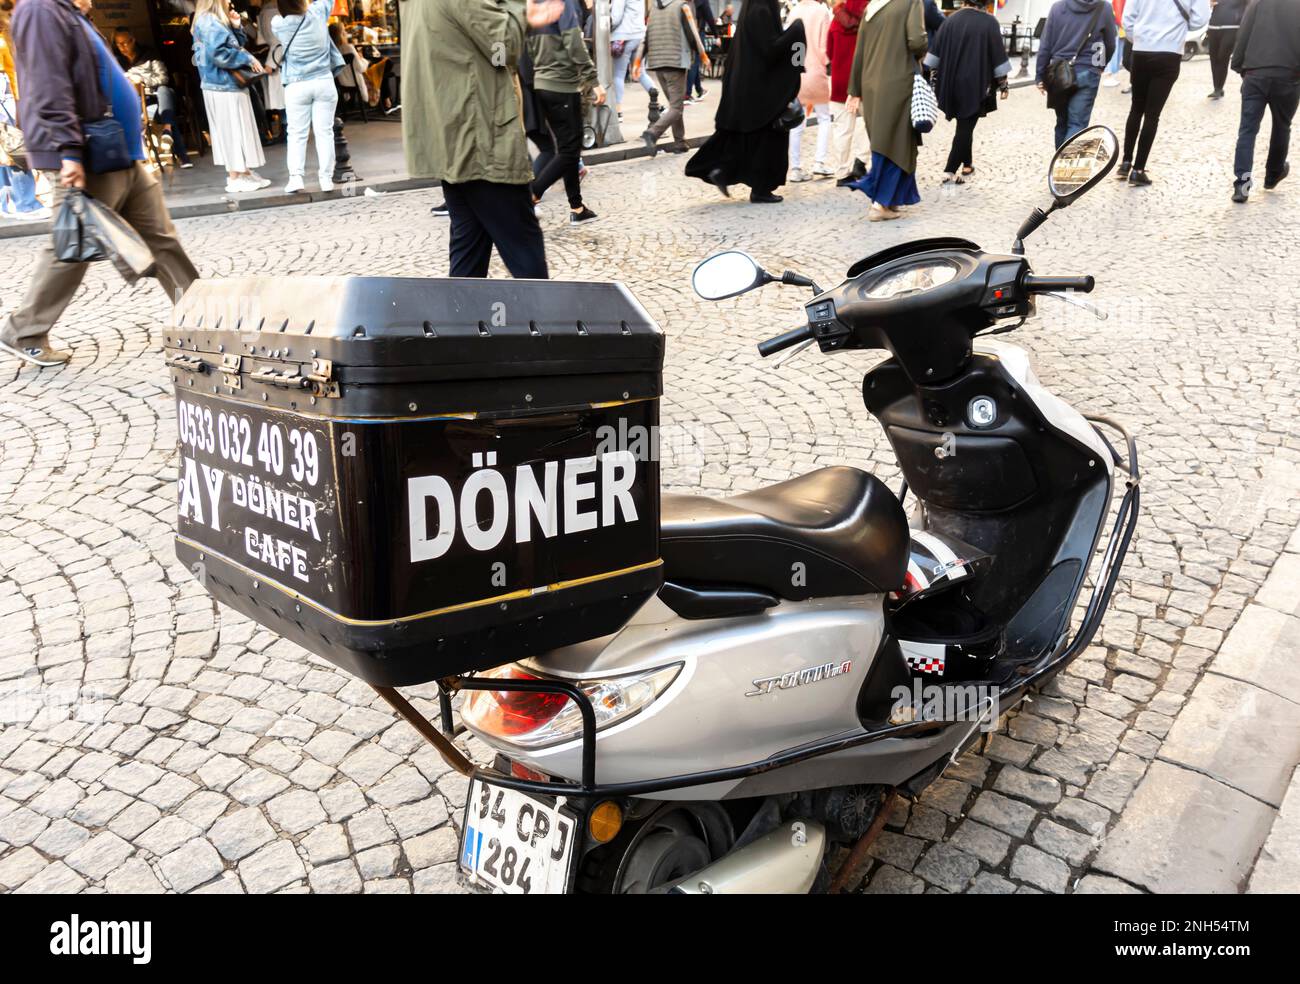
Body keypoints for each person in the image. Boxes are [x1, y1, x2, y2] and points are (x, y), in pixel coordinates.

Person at [1, 0, 199, 366]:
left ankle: (202, 318)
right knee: (70, 248)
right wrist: (69, 152)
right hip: (89, 153)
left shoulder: (67, 11)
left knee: (161, 238)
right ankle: (23, 330)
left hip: (116, 149)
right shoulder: (41, 9)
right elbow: (48, 86)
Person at [403, 0, 561, 279]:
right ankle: (545, 320)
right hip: (480, 141)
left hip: (456, 137)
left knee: (468, 253)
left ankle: (460, 321)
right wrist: (518, 7)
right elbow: (505, 47)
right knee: (526, 256)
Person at [685, 0, 802, 202]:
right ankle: (761, 188)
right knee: (765, 138)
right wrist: (796, 30)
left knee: (744, 138)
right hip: (759, 89)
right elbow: (770, 49)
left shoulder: (753, 8)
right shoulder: (762, 9)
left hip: (745, 86)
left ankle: (721, 169)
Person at [845, 0, 928, 220]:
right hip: (899, 81)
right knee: (897, 143)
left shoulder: (872, 8)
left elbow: (859, 51)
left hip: (871, 84)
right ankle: (880, 203)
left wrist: (854, 89)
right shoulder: (911, 2)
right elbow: (917, 40)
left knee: (883, 142)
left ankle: (890, 201)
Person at [528, 0, 605, 224]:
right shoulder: (564, 3)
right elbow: (574, 43)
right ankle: (532, 194)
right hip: (562, 85)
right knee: (570, 150)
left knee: (566, 149)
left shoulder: (537, 6)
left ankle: (577, 208)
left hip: (543, 84)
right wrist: (593, 80)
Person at [1120, 0, 1209, 185]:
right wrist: (1179, 25)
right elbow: (1200, 20)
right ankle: (1138, 169)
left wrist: (1139, 37)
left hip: (1142, 50)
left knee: (1136, 108)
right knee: (1152, 114)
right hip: (1169, 50)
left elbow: (1127, 19)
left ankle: (1125, 162)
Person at [924, 0, 1011, 184]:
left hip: (950, 82)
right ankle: (949, 170)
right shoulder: (989, 22)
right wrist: (1003, 85)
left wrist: (934, 83)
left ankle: (968, 165)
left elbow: (932, 58)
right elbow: (998, 58)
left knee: (965, 125)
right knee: (965, 127)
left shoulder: (950, 20)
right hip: (976, 85)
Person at [192, 0, 269, 192]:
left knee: (235, 130)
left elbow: (231, 47)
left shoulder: (211, 20)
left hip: (223, 84)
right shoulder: (209, 21)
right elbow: (221, 55)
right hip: (222, 85)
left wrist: (235, 28)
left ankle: (243, 172)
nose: (229, 1)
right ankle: (235, 176)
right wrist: (248, 58)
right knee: (232, 131)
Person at [1229, 0, 1300, 202]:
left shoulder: (1258, 2)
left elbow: (1244, 33)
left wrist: (1238, 65)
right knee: (1282, 126)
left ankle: (1242, 184)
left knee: (1247, 130)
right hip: (1288, 74)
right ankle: (1273, 174)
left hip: (1255, 72)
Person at [272, 0, 338, 194]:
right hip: (323, 81)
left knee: (296, 134)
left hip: (296, 84)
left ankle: (296, 178)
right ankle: (326, 178)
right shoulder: (318, 14)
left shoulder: (278, 23)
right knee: (324, 132)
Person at [1036, 0, 1117, 150]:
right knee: (1077, 124)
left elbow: (1045, 44)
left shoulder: (1058, 8)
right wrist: (1100, 66)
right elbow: (1110, 43)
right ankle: (1065, 168)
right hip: (1088, 69)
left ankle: (1059, 167)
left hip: (1059, 72)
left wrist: (1040, 75)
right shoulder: (1103, 7)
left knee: (1062, 122)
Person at [111, 28, 193, 168]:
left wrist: (142, 80)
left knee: (164, 92)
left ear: (133, 40)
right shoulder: (118, 62)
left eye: (125, 43)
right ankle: (178, 150)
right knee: (163, 113)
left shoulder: (149, 54)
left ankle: (168, 131)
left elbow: (163, 78)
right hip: (139, 101)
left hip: (158, 96)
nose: (123, 47)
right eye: (119, 44)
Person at [638, 0, 710, 155]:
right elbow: (693, 35)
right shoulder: (682, 6)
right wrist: (703, 55)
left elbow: (646, 37)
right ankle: (653, 133)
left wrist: (638, 61)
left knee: (674, 106)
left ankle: (680, 143)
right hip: (675, 62)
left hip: (657, 63)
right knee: (676, 108)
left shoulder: (653, 9)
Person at [787, 0, 833, 182]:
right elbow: (825, 47)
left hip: (796, 72)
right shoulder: (822, 12)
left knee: (797, 121)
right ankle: (819, 162)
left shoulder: (794, 12)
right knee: (824, 117)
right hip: (816, 71)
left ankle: (795, 168)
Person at [827, 0, 870, 185]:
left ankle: (842, 173)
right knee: (870, 125)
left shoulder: (835, 22)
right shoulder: (869, 22)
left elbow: (829, 51)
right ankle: (860, 162)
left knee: (842, 130)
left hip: (839, 82)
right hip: (864, 81)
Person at [611, 0, 656, 120]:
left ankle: (618, 111)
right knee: (641, 73)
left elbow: (615, 18)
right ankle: (657, 103)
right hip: (639, 35)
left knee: (618, 75)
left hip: (623, 36)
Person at [255, 1, 287, 139]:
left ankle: (286, 130)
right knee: (282, 101)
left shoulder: (269, 12)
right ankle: (284, 129)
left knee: (284, 100)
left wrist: (270, 64)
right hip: (277, 59)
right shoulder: (268, 11)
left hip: (278, 60)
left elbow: (277, 41)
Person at [1206, 0, 1247, 100]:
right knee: (1214, 58)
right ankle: (1217, 88)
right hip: (1213, 26)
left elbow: (1250, 6)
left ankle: (1219, 88)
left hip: (1232, 27)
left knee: (1222, 56)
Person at [686, 0, 717, 102]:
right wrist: (716, 35)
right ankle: (687, 94)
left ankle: (699, 90)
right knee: (695, 63)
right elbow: (709, 18)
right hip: (698, 32)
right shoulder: (703, 1)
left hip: (687, 33)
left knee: (694, 62)